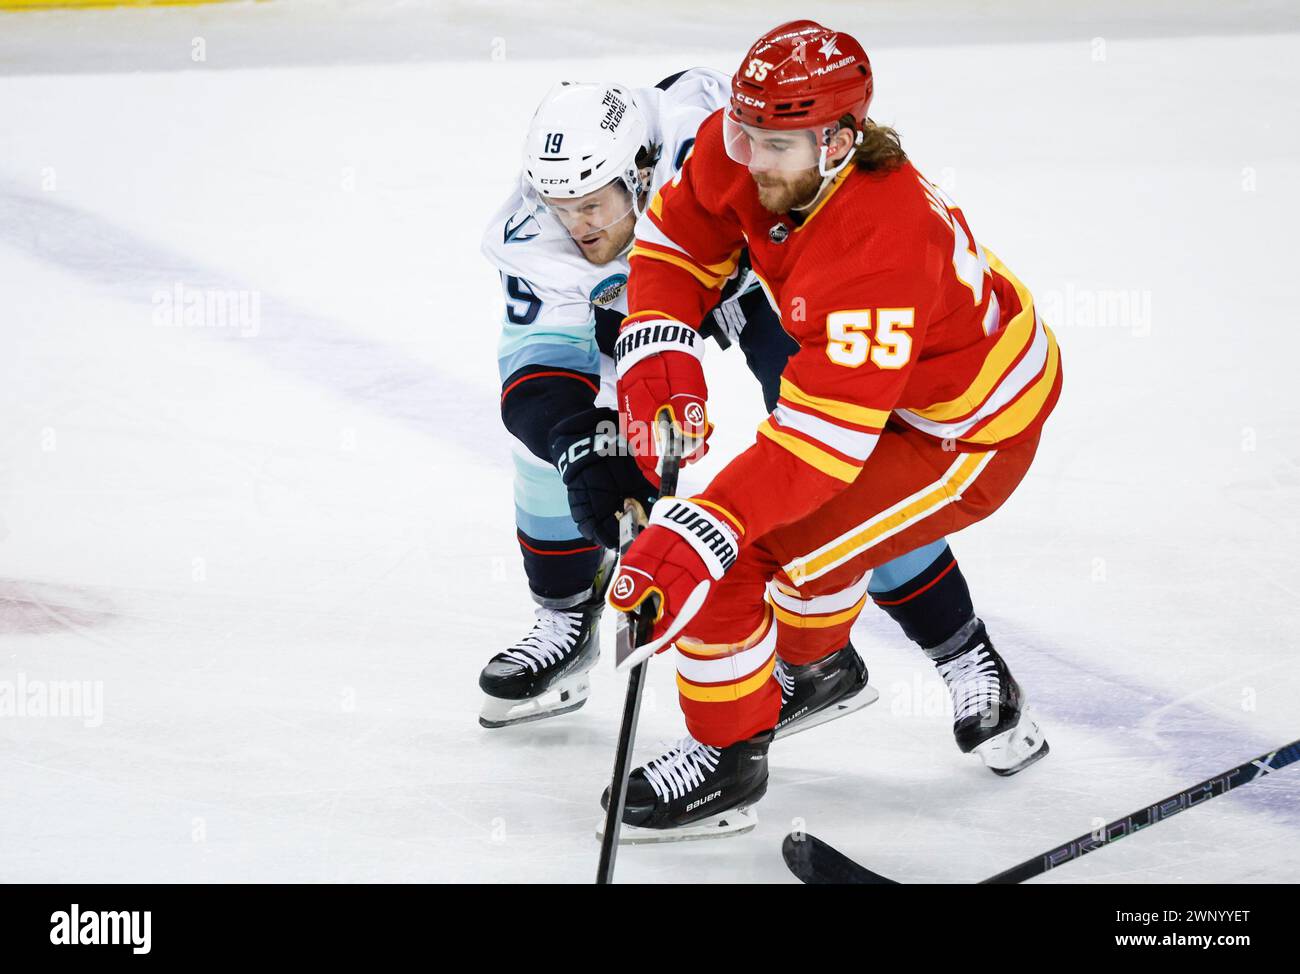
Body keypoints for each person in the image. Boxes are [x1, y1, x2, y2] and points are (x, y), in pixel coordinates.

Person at [583, 21, 1062, 839]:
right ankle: (818, 671)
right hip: (892, 391)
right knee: (780, 543)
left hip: (968, 434)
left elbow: (819, 445)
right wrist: (656, 338)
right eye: (742, 130)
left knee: (736, 558)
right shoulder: (744, 145)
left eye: (775, 144)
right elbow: (677, 233)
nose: (748, 156)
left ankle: (728, 762)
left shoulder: (881, 243)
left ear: (840, 140)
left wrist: (702, 531)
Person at [477, 70, 803, 727]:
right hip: (630, 297)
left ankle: (927, 645)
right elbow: (534, 373)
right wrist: (584, 447)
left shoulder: (710, 143)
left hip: (740, 269)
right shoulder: (532, 232)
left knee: (829, 432)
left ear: (641, 172)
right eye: (560, 206)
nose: (576, 226)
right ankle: (567, 615)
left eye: (593, 203)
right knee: (552, 453)